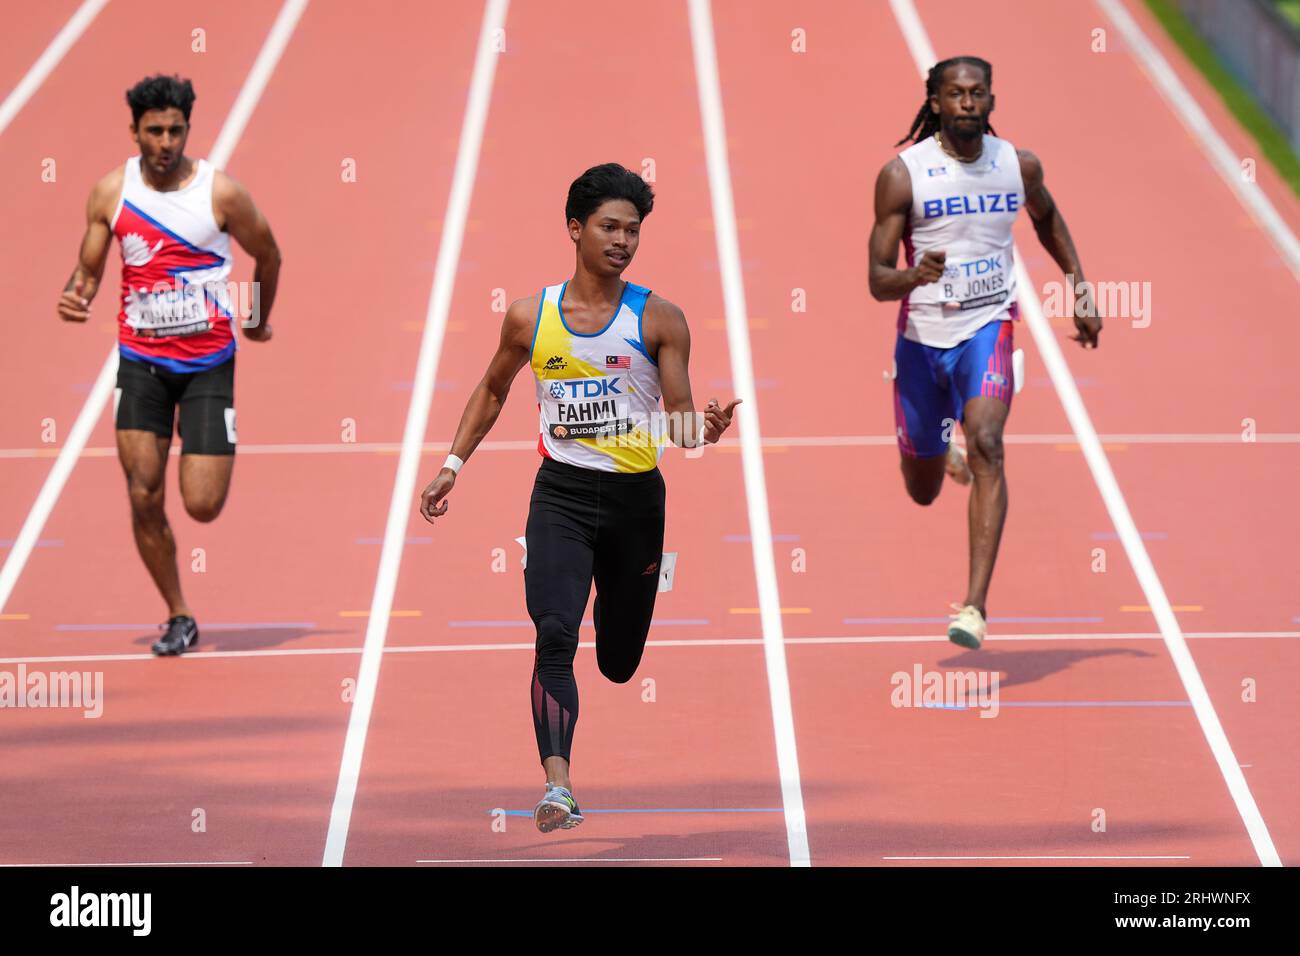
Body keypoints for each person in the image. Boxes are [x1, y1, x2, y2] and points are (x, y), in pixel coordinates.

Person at [419, 163, 739, 831]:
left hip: (635, 504)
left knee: (619, 663)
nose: (622, 241)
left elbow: (680, 425)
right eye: (609, 228)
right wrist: (452, 463)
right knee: (555, 632)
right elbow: (493, 389)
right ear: (575, 229)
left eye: (632, 231)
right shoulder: (529, 318)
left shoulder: (660, 318)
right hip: (560, 495)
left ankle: (624, 608)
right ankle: (558, 786)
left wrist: (701, 429)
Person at [868, 56, 1100, 649]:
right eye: (955, 94)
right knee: (921, 490)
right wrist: (914, 275)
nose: (967, 102)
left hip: (988, 326)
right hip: (922, 338)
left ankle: (973, 606)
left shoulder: (1016, 166)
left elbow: (1048, 220)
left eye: (977, 93)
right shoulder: (904, 174)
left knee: (990, 444)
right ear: (936, 102)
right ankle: (938, 449)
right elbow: (875, 278)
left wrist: (1078, 285)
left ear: (991, 100)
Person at [56, 74, 281, 656]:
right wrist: (75, 292)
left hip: (208, 364)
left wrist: (255, 317)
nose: (165, 141)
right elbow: (87, 269)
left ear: (187, 129)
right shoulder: (111, 193)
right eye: (153, 130)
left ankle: (212, 439)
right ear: (134, 131)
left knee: (202, 505)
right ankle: (179, 613)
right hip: (141, 364)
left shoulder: (220, 193)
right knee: (142, 493)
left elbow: (269, 252)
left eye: (175, 130)